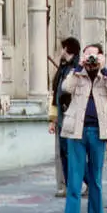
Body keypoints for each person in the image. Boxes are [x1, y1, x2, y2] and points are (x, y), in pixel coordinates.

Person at [60, 43, 107, 213]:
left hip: (98, 131)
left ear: (101, 57)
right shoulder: (77, 74)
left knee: (95, 179)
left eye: (94, 56)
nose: (91, 60)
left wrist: (104, 70)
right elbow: (65, 88)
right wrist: (78, 68)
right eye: (88, 56)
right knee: (74, 177)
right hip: (76, 131)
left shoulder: (105, 76)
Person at [48, 37, 82, 197]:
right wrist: (53, 119)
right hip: (61, 118)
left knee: (72, 153)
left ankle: (78, 184)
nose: (61, 52)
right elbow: (55, 95)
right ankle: (66, 185)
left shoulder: (76, 70)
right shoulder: (62, 69)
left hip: (72, 118)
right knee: (62, 153)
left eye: (64, 49)